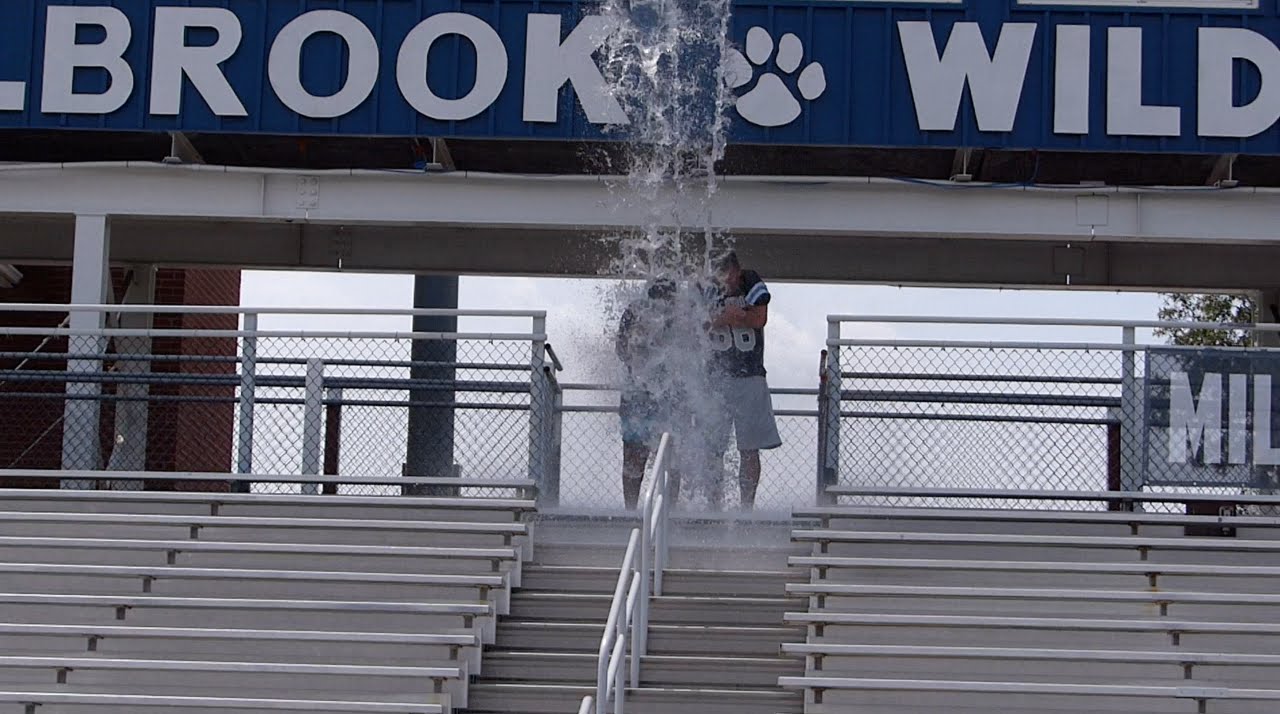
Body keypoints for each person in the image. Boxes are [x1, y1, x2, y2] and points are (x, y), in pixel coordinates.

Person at [705, 251, 782, 510]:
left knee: (749, 448)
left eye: (729, 276)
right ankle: (714, 505)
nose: (726, 283)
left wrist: (738, 318)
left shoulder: (751, 281)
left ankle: (746, 506)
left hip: (749, 375)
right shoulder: (705, 287)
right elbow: (697, 322)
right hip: (716, 378)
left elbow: (759, 318)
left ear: (736, 271)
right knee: (713, 446)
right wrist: (725, 318)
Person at [616, 279, 679, 509]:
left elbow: (688, 353)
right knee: (634, 452)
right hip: (637, 394)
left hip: (669, 395)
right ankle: (630, 510)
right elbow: (621, 349)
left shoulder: (678, 319)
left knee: (672, 457)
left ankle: (669, 512)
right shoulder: (634, 312)